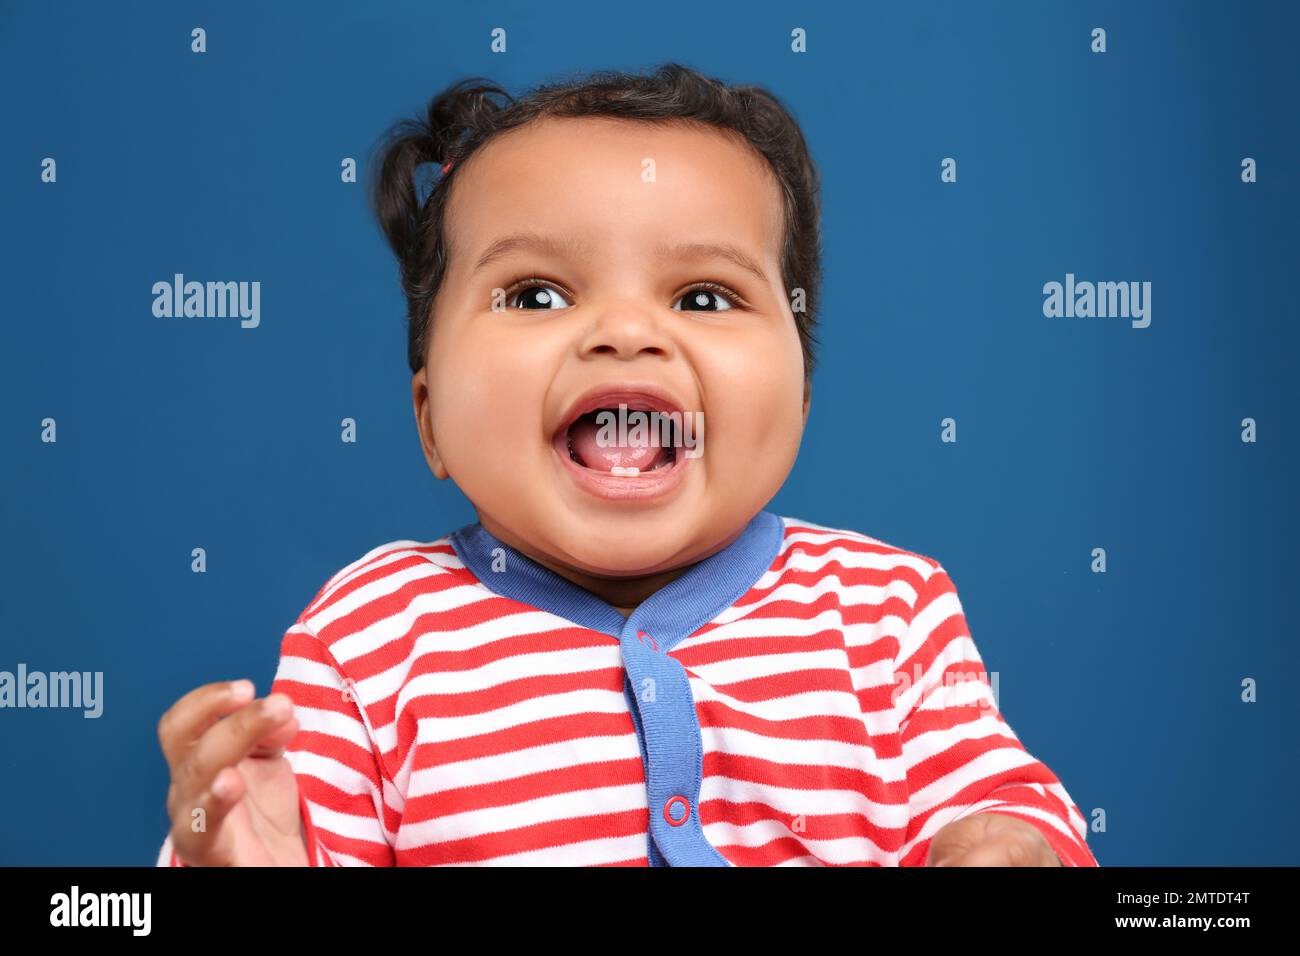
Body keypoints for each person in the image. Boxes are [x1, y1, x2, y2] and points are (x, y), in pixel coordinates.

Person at [156, 63, 1097, 867]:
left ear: (801, 396)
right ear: (431, 417)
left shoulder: (888, 612)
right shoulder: (368, 639)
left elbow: (1008, 810)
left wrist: (1001, 842)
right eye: (534, 293)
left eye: (702, 294)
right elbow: (277, 835)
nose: (625, 332)